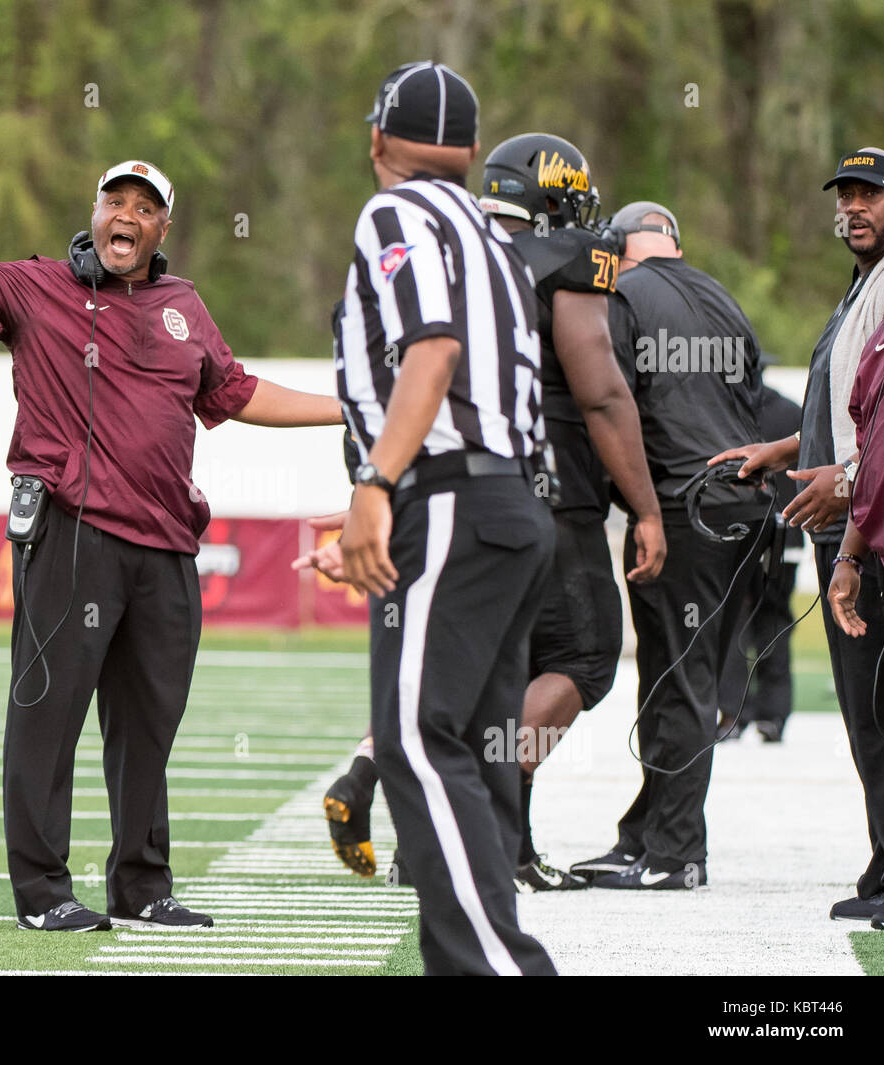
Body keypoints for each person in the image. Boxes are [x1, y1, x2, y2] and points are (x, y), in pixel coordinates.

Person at [0, 79, 344, 932]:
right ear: (95, 213)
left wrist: (350, 404)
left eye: (145, 205)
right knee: (49, 714)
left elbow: (239, 392)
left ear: (162, 228)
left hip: (168, 545)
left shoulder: (184, 307)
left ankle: (142, 885)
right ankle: (44, 892)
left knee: (148, 728)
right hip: (72, 533)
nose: (126, 215)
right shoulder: (34, 288)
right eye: (115, 199)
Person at [332, 60, 557, 975]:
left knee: (416, 739)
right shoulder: (493, 235)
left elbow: (432, 349)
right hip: (510, 503)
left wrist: (377, 485)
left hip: (451, 496)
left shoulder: (398, 212)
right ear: (469, 149)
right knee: (477, 747)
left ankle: (501, 970)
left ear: (378, 140)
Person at [708, 149, 884, 921]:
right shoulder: (865, 287)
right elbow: (855, 409)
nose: (853, 207)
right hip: (853, 518)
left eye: (871, 195)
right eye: (845, 195)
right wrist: (787, 451)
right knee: (868, 712)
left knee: (882, 709)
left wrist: (845, 487)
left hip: (874, 526)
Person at [478, 133, 665, 891]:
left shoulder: (453, 256)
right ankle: (481, 821)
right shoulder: (568, 257)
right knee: (584, 658)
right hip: (547, 495)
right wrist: (646, 509)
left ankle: (497, 846)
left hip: (456, 491)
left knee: (497, 670)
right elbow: (600, 389)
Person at [570, 201, 768, 890]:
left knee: (677, 680)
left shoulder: (622, 292)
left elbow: (611, 401)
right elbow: (755, 399)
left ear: (620, 249)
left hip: (682, 510)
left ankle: (677, 850)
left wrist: (626, 504)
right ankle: (645, 834)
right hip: (740, 506)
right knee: (682, 676)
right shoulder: (723, 297)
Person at [828, 310, 884, 929]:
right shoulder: (881, 335)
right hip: (883, 556)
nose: (851, 209)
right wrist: (849, 553)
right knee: (881, 713)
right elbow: (868, 454)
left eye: (865, 199)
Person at [716, 382, 802, 743]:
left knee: (734, 618)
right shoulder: (791, 411)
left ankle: (733, 713)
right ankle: (774, 715)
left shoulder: (727, 409)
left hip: (741, 530)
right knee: (776, 618)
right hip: (787, 534)